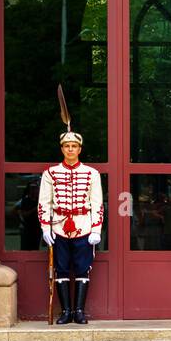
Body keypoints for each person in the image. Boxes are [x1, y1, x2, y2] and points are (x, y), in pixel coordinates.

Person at [38, 130, 103, 324]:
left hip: (83, 226)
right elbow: (44, 202)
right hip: (58, 227)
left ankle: (79, 312)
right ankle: (66, 311)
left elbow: (97, 203)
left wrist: (96, 229)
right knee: (61, 269)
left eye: (74, 146)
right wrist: (45, 227)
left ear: (80, 149)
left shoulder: (92, 174)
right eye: (67, 146)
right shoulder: (50, 173)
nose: (70, 149)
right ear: (62, 149)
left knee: (83, 269)